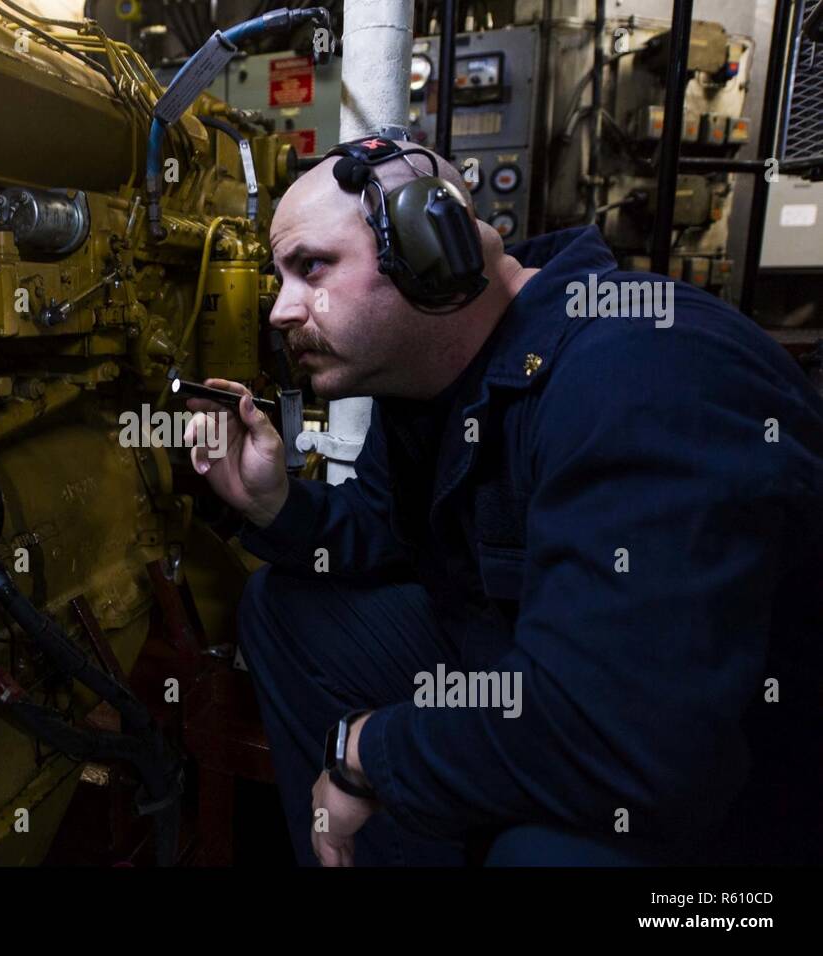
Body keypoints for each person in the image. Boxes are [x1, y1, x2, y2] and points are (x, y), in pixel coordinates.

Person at [181, 138, 823, 866]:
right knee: (285, 610)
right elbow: (387, 530)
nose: (280, 311)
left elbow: (621, 727)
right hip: (533, 667)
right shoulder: (435, 383)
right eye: (279, 277)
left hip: (722, 786)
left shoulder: (641, 374)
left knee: (542, 852)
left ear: (431, 249)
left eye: (312, 268)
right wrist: (274, 505)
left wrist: (369, 753)